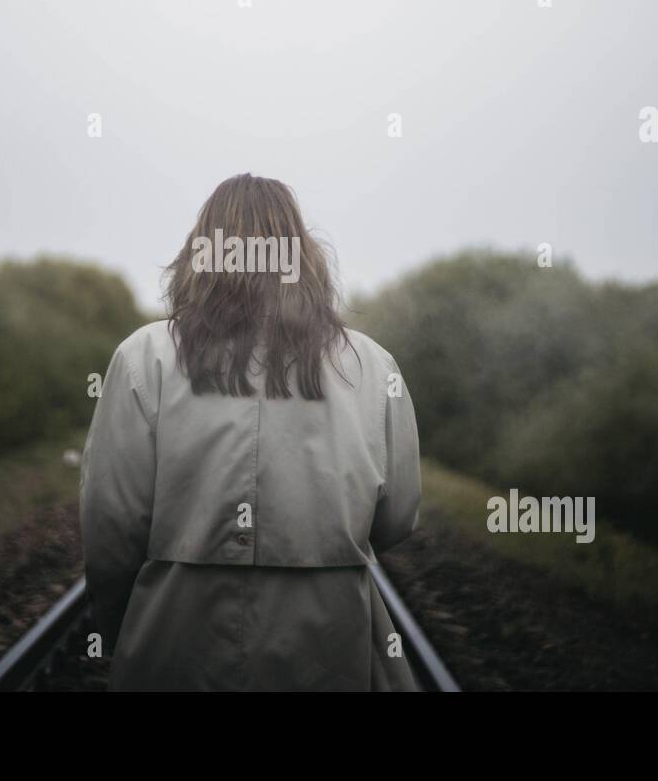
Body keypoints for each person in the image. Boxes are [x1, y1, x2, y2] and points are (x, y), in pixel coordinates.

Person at [79, 173, 422, 690]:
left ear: (202, 252)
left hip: (172, 648)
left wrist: (122, 627)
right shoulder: (372, 367)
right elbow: (396, 519)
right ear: (302, 255)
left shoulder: (142, 357)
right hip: (328, 653)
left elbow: (110, 529)